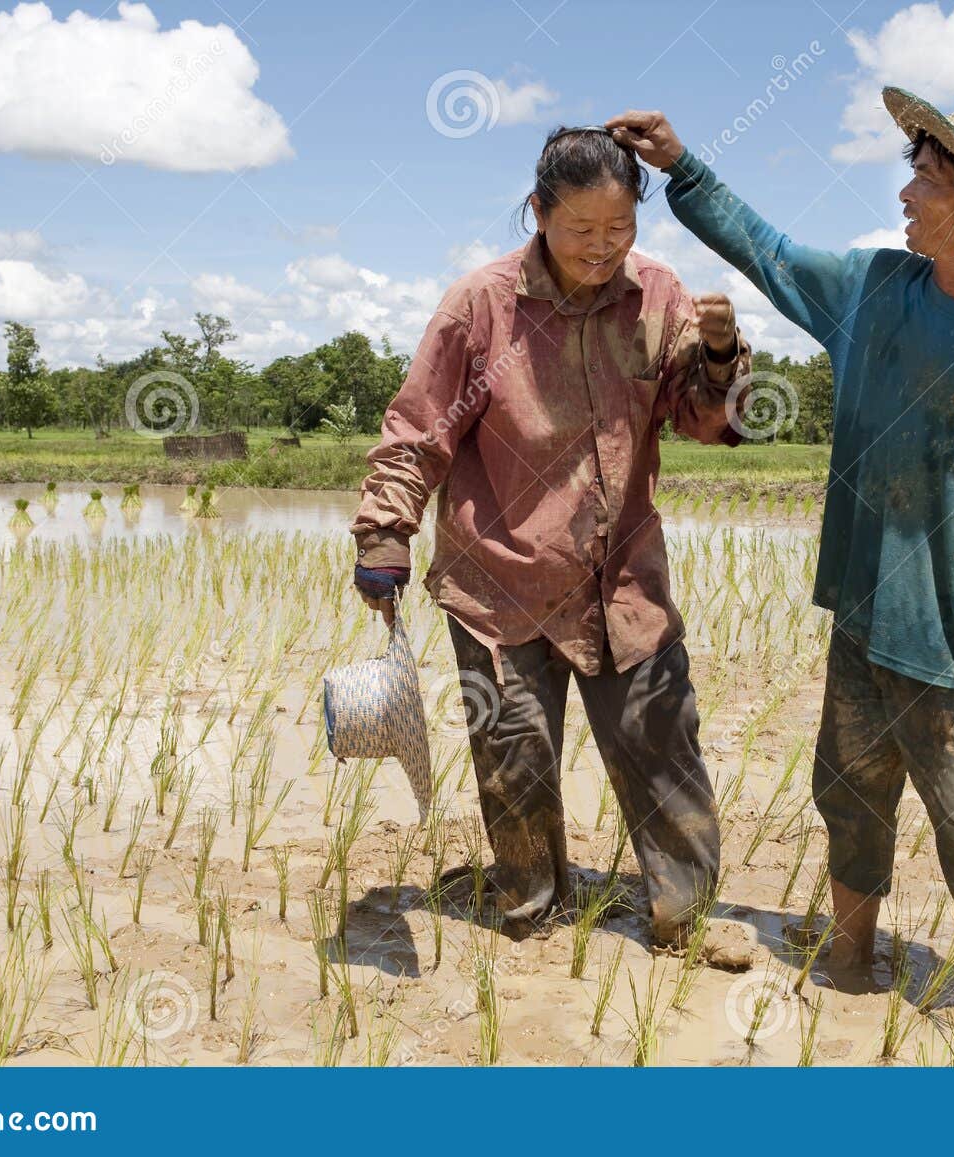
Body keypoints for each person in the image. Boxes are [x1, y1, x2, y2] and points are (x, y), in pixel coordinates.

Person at [608, 89, 954, 1017]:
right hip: (863, 624)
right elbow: (768, 251)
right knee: (848, 798)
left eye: (926, 176)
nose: (907, 191)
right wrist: (683, 164)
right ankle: (848, 965)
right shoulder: (876, 293)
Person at [351, 126, 757, 962]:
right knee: (515, 757)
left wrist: (719, 357)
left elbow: (705, 420)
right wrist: (386, 530)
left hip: (623, 581)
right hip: (502, 577)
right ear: (538, 213)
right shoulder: (481, 305)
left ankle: (683, 914)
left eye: (620, 231)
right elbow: (417, 429)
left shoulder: (658, 296)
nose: (602, 250)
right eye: (581, 231)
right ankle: (531, 911)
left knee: (661, 741)